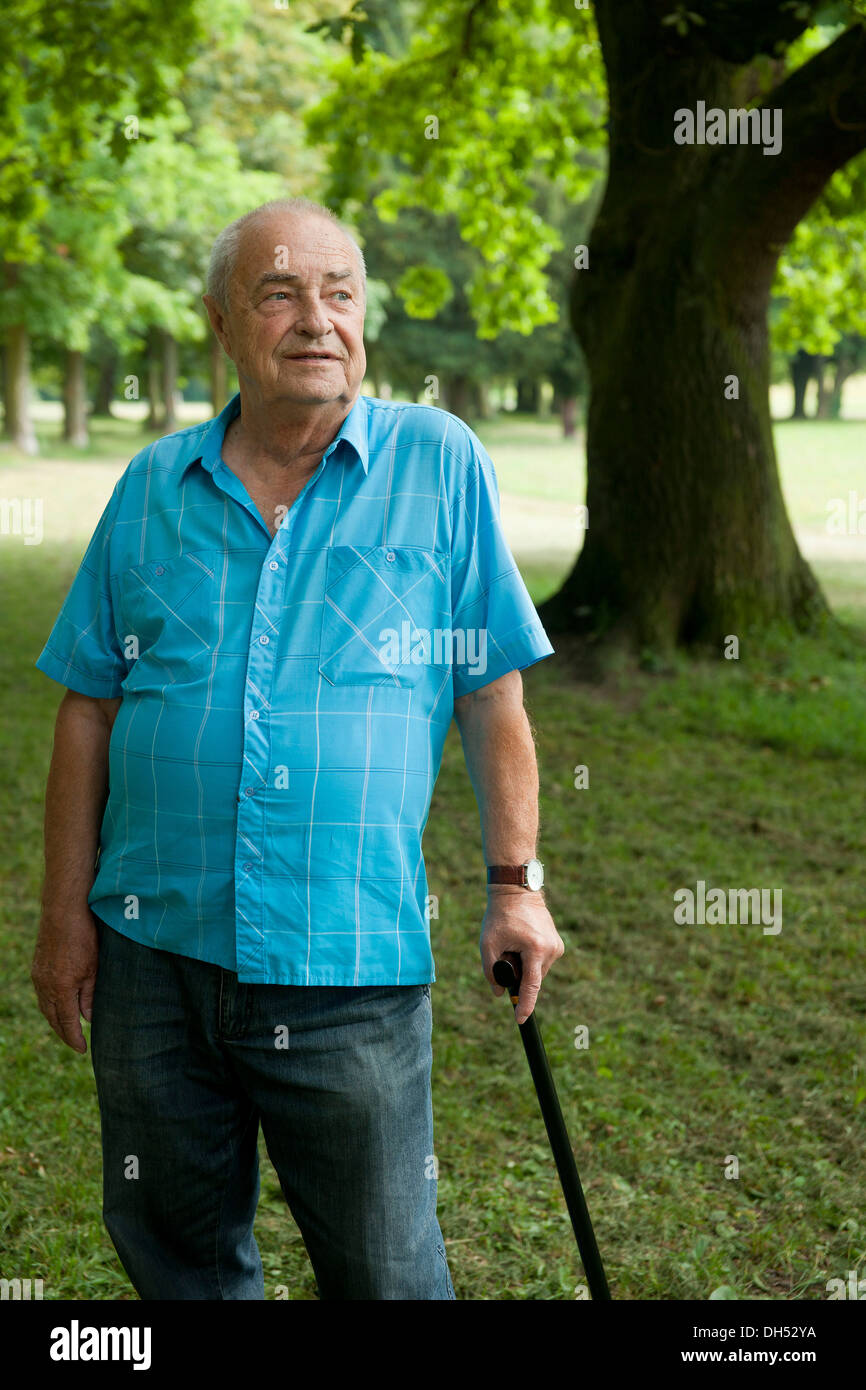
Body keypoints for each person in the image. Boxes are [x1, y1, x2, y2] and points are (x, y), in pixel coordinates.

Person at [30, 196, 564, 1300]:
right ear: (224, 323)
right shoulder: (150, 488)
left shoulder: (437, 463)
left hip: (346, 965)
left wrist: (515, 885)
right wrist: (61, 918)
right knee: (178, 1263)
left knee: (386, 1274)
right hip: (151, 958)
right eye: (278, 292)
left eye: (339, 292)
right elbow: (88, 706)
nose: (316, 318)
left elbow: (490, 690)